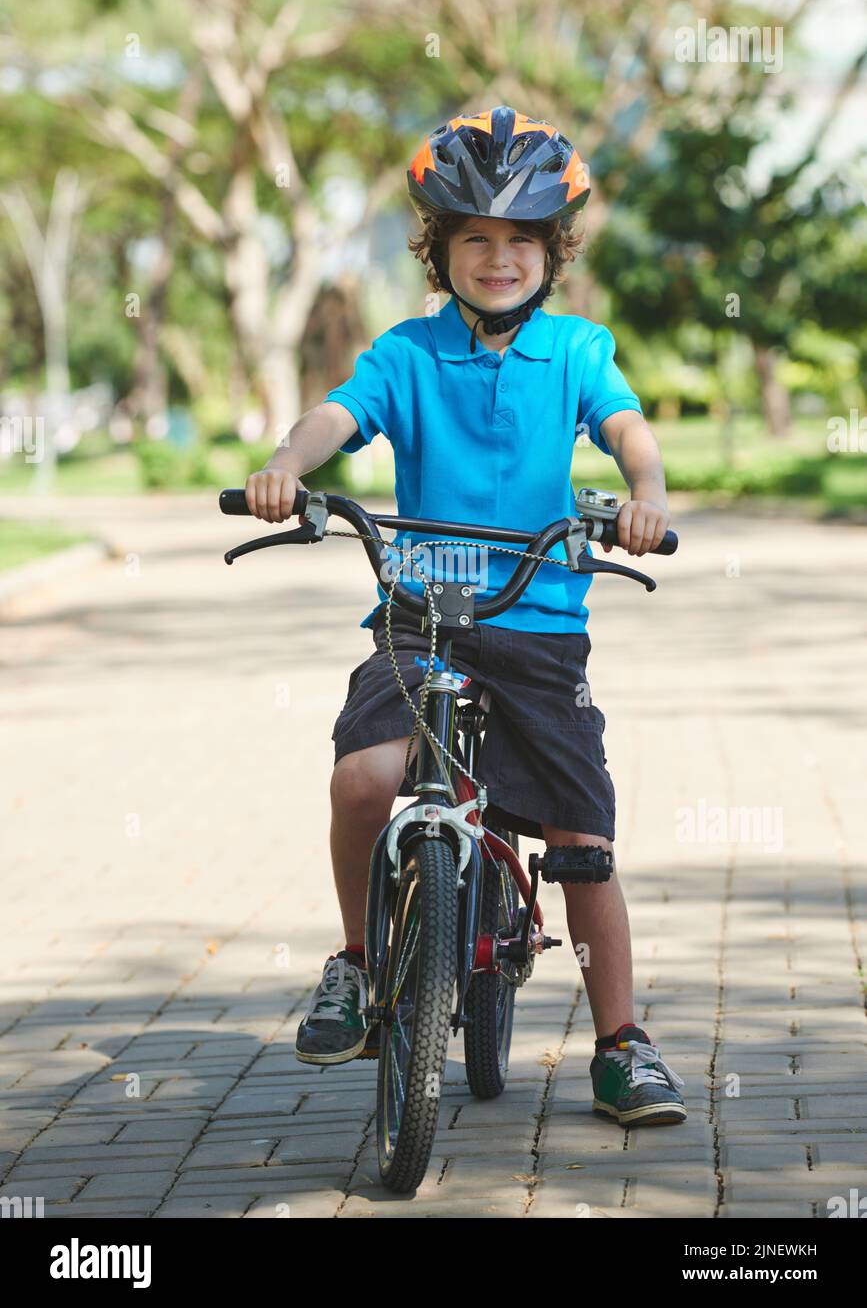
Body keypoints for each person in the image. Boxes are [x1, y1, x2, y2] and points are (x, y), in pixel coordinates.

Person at [245, 107, 686, 1126]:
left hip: (537, 621)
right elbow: (337, 416)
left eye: (519, 240)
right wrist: (283, 467)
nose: (497, 258)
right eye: (474, 240)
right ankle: (357, 964)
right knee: (363, 778)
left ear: (551, 251)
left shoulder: (577, 350)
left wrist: (644, 494)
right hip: (421, 619)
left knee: (583, 840)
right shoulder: (408, 353)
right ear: (440, 251)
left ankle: (621, 1042)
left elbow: (629, 432)